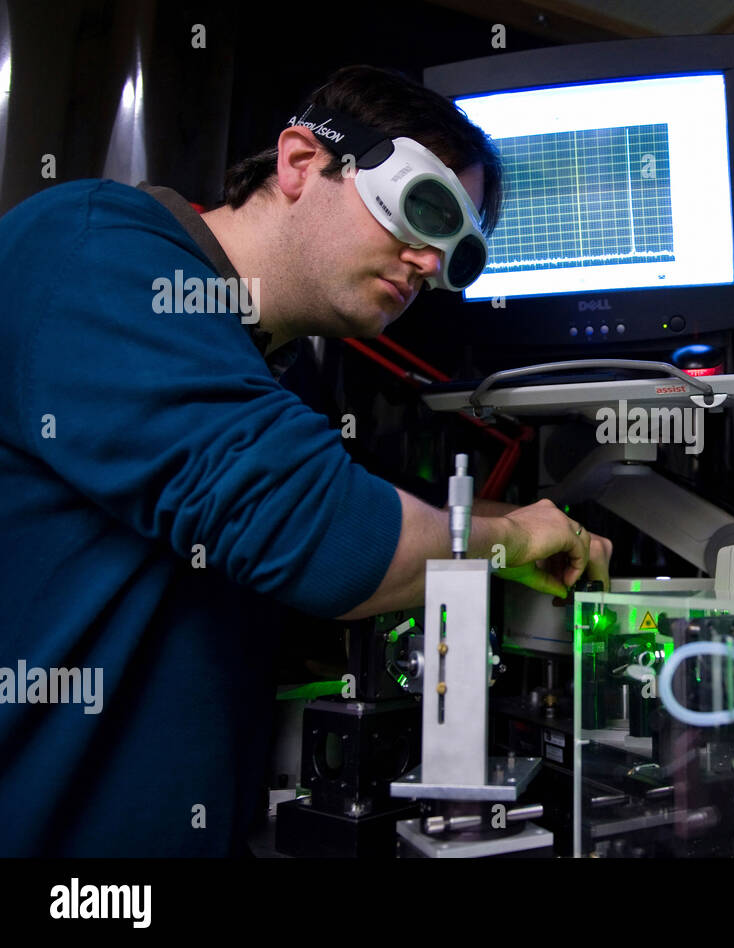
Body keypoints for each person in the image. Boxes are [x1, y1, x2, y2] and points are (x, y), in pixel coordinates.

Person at [0, 64, 611, 856]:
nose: (431, 265)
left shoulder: (262, 368)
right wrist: (517, 537)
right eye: (424, 209)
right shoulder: (98, 249)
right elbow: (332, 542)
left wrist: (491, 529)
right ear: (299, 161)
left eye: (458, 255)